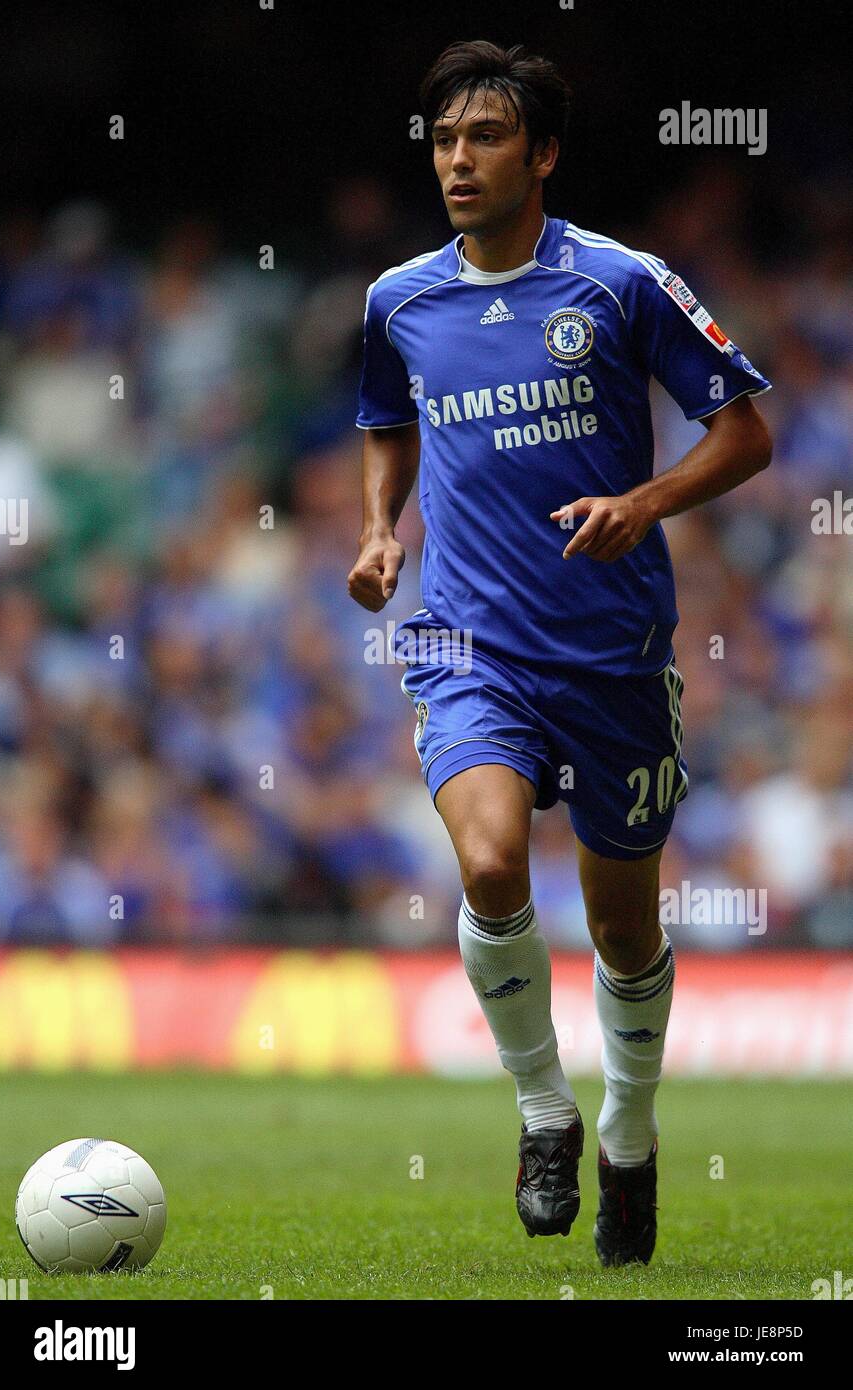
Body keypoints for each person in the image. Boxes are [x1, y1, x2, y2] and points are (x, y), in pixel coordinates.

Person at [348, 40, 772, 1265]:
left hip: (614, 658)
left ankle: (627, 1133)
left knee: (623, 930)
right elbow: (385, 421)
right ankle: (542, 1111)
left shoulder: (620, 282)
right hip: (467, 645)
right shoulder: (398, 301)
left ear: (539, 153)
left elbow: (741, 436)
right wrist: (381, 529)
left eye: (482, 138)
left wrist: (645, 502)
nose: (456, 161)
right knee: (487, 864)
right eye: (440, 141)